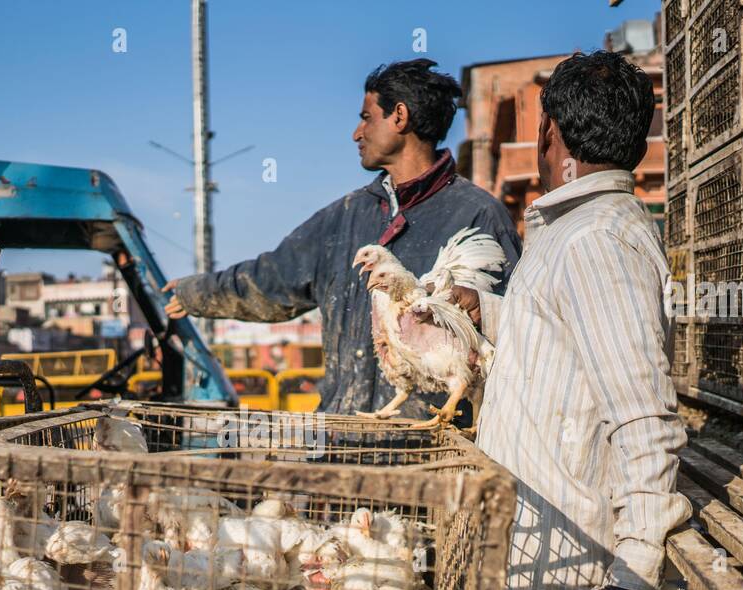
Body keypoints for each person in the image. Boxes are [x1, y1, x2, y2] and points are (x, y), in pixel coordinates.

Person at [474, 51, 693, 590]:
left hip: (573, 555)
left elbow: (644, 415)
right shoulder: (572, 234)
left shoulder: (599, 240)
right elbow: (559, 348)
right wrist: (488, 312)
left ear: (551, 132)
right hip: (540, 535)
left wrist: (632, 577)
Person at [163, 58, 520, 418]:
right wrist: (197, 293)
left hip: (434, 456)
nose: (356, 133)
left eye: (366, 118)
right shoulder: (343, 217)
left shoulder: (478, 215)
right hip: (344, 443)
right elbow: (271, 276)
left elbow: (516, 331)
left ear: (399, 116)